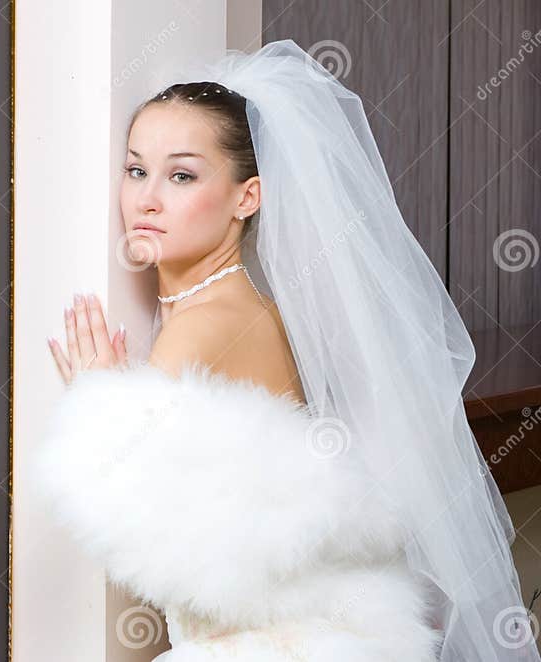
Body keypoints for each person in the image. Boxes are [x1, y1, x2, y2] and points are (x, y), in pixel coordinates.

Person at [34, 40, 539, 661]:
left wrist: (99, 406)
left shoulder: (203, 328)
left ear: (247, 197)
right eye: (137, 170)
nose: (147, 198)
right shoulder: (250, 308)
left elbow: (137, 529)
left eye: (182, 175)